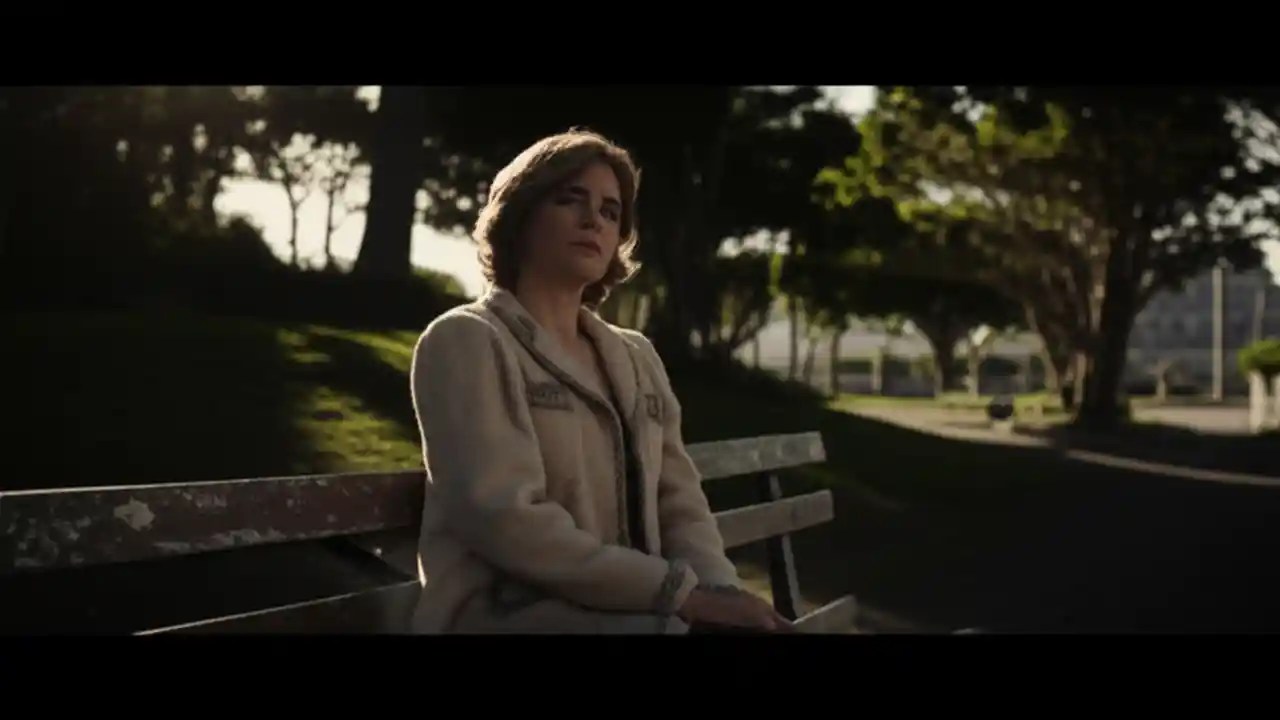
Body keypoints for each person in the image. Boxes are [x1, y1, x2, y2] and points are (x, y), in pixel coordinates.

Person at [408, 128, 795, 634]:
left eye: (610, 211)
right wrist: (684, 597)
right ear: (520, 216)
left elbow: (679, 502)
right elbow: (506, 519)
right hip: (503, 616)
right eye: (571, 200)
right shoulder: (467, 340)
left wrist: (720, 596)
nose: (593, 219)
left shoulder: (637, 357)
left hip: (636, 613)